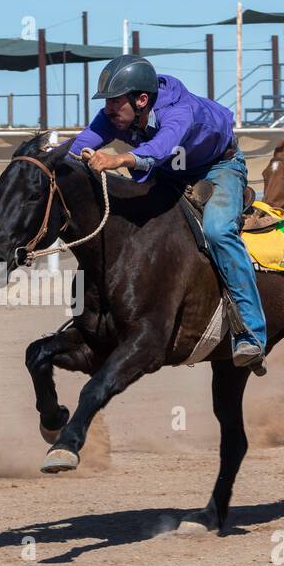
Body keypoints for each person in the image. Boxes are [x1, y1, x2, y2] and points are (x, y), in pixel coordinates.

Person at [68, 55, 268, 369]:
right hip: (168, 172)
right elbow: (77, 147)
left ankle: (252, 333)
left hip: (217, 167)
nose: (107, 110)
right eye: (106, 103)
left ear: (141, 100)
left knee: (217, 230)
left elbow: (159, 148)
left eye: (113, 103)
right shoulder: (117, 114)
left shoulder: (180, 112)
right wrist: (48, 161)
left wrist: (116, 160)